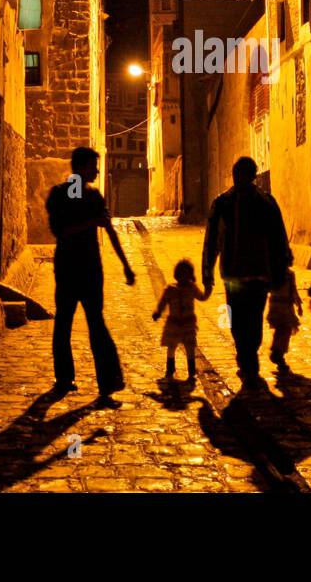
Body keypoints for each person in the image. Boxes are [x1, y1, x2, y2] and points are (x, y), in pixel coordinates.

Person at [45, 146, 136, 399]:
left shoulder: (94, 196)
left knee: (95, 323)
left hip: (91, 270)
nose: (97, 170)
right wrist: (90, 223)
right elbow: (60, 231)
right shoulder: (60, 195)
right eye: (93, 166)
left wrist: (126, 265)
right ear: (82, 167)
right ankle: (65, 378)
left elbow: (109, 230)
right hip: (68, 269)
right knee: (65, 322)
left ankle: (107, 384)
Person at [203, 156, 293, 387]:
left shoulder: (236, 202)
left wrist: (208, 272)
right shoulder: (236, 203)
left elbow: (277, 238)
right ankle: (247, 358)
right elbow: (212, 239)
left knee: (247, 318)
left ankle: (247, 359)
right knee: (244, 319)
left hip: (246, 274)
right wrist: (207, 271)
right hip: (245, 274)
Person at [152, 259, 211, 384]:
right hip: (173, 323)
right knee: (171, 346)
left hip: (188, 324)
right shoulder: (170, 289)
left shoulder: (192, 288)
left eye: (186, 274)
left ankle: (191, 371)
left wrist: (208, 288)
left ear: (190, 275)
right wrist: (158, 312)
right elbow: (163, 302)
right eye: (181, 273)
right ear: (177, 274)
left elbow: (202, 297)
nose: (183, 277)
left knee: (189, 347)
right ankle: (170, 368)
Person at [267, 265, 303, 374]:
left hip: (274, 305)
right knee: (285, 330)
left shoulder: (271, 271)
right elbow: (293, 290)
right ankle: (278, 353)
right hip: (286, 305)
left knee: (280, 329)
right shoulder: (289, 274)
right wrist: (299, 305)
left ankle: (277, 352)